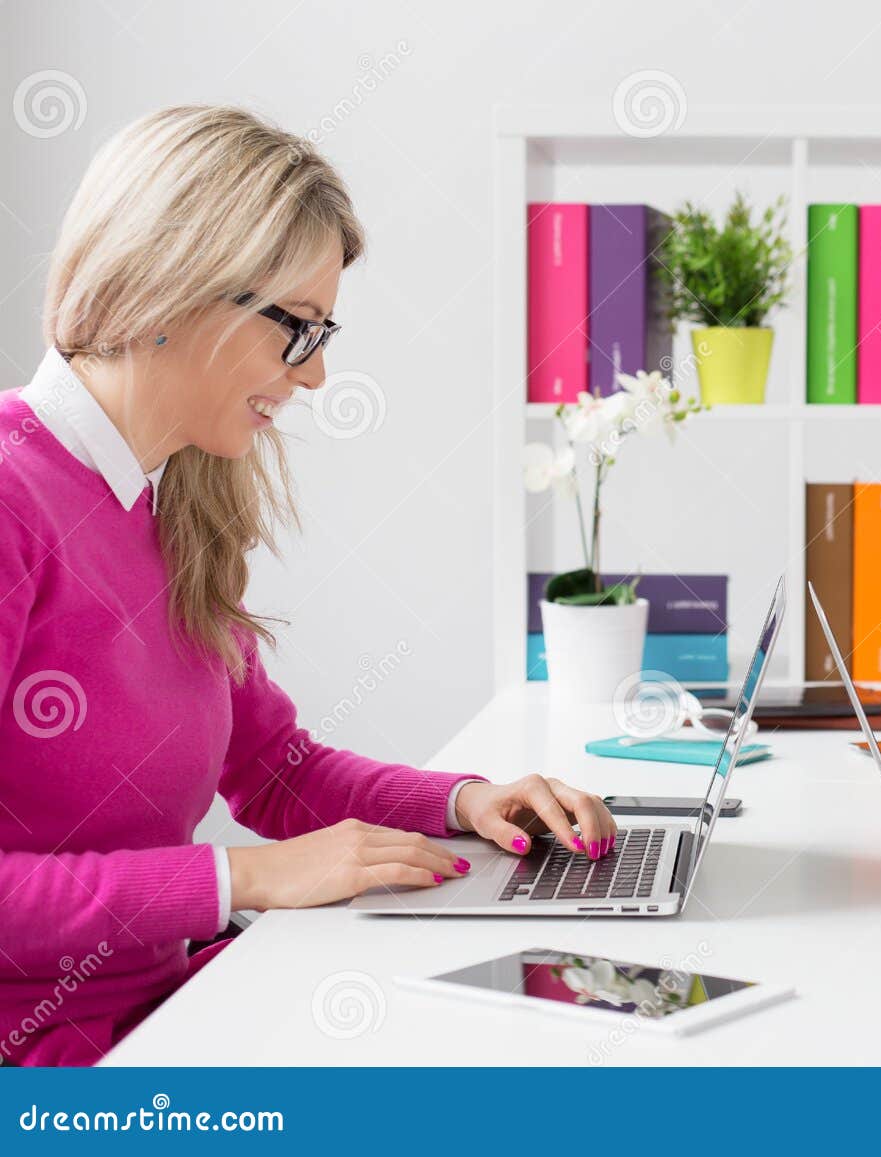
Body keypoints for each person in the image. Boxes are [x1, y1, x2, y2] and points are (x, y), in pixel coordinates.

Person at [0, 106, 617, 1067]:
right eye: (297, 327)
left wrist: (467, 801)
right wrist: (239, 880)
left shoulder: (166, 505)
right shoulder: (11, 501)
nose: (321, 373)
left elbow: (274, 769)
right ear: (172, 284)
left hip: (175, 1014)